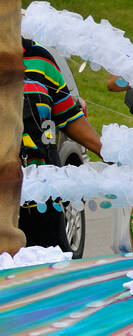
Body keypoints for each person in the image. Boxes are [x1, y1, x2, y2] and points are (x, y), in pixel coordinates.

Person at [19, 38, 103, 248]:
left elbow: (68, 115)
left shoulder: (39, 57)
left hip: (41, 192)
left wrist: (106, 151)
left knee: (43, 268)